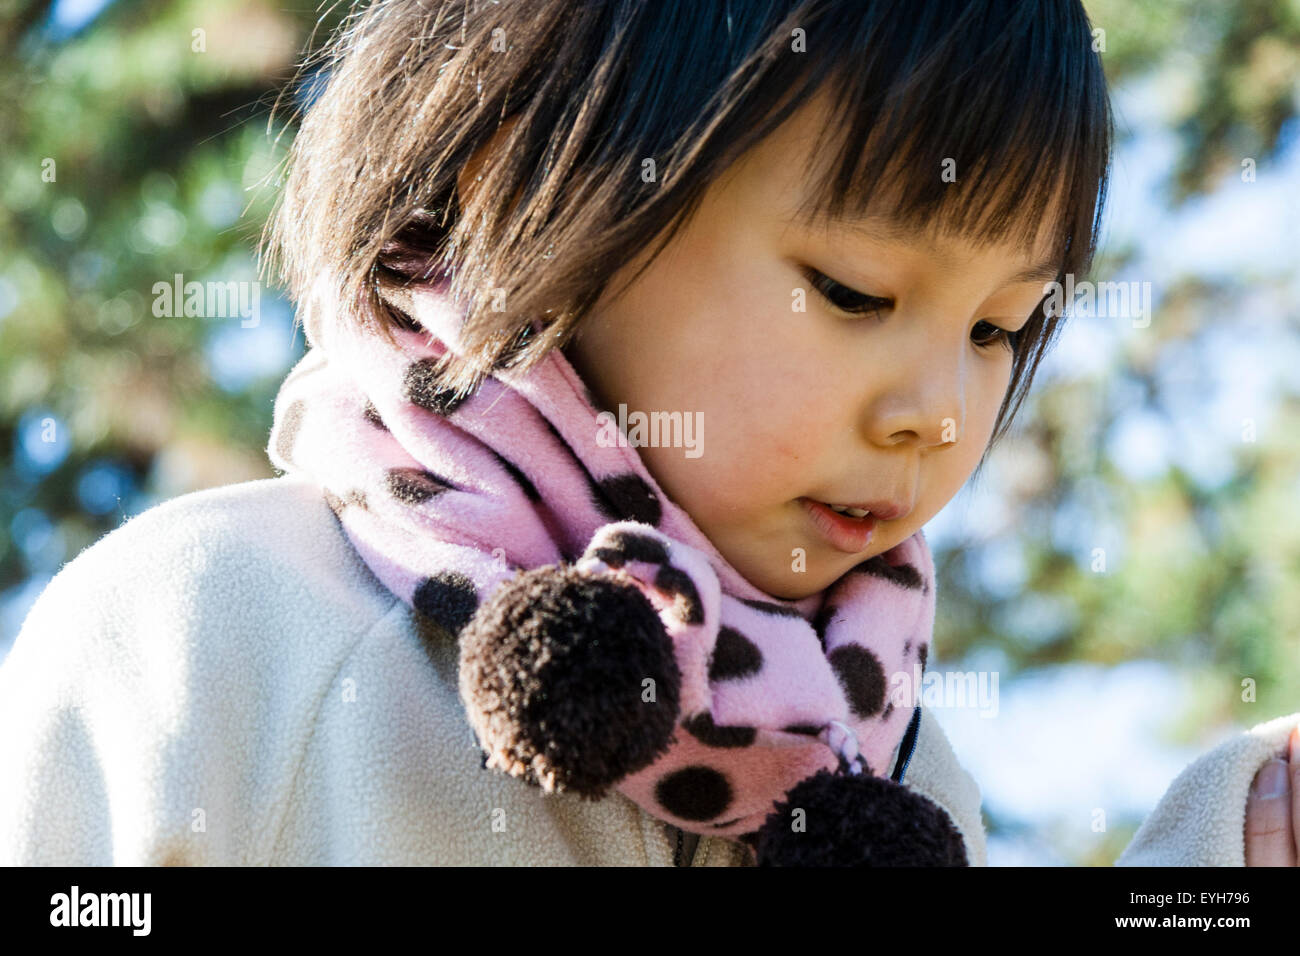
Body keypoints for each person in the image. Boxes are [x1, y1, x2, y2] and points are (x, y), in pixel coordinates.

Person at [2, 0, 1296, 867]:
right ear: (518, 171)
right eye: (854, 291)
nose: (938, 414)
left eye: (1000, 330)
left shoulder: (891, 773)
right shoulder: (207, 635)